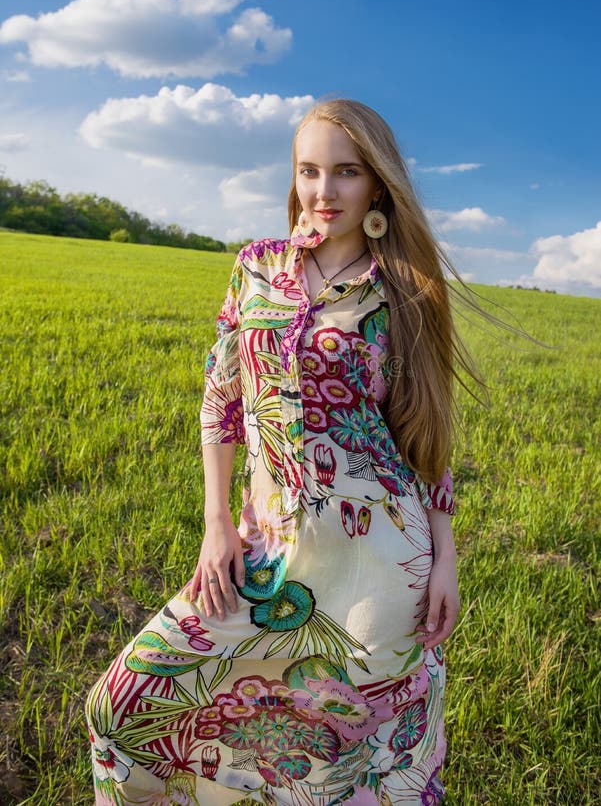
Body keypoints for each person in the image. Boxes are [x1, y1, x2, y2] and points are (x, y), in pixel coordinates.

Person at [86, 99, 467, 805]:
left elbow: (425, 435)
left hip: (379, 560)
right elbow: (220, 399)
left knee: (345, 757)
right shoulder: (258, 267)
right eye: (310, 171)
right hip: (266, 545)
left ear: (377, 184)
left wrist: (443, 557)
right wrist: (215, 522)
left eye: (346, 173)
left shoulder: (405, 290)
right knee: (119, 707)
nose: (325, 192)